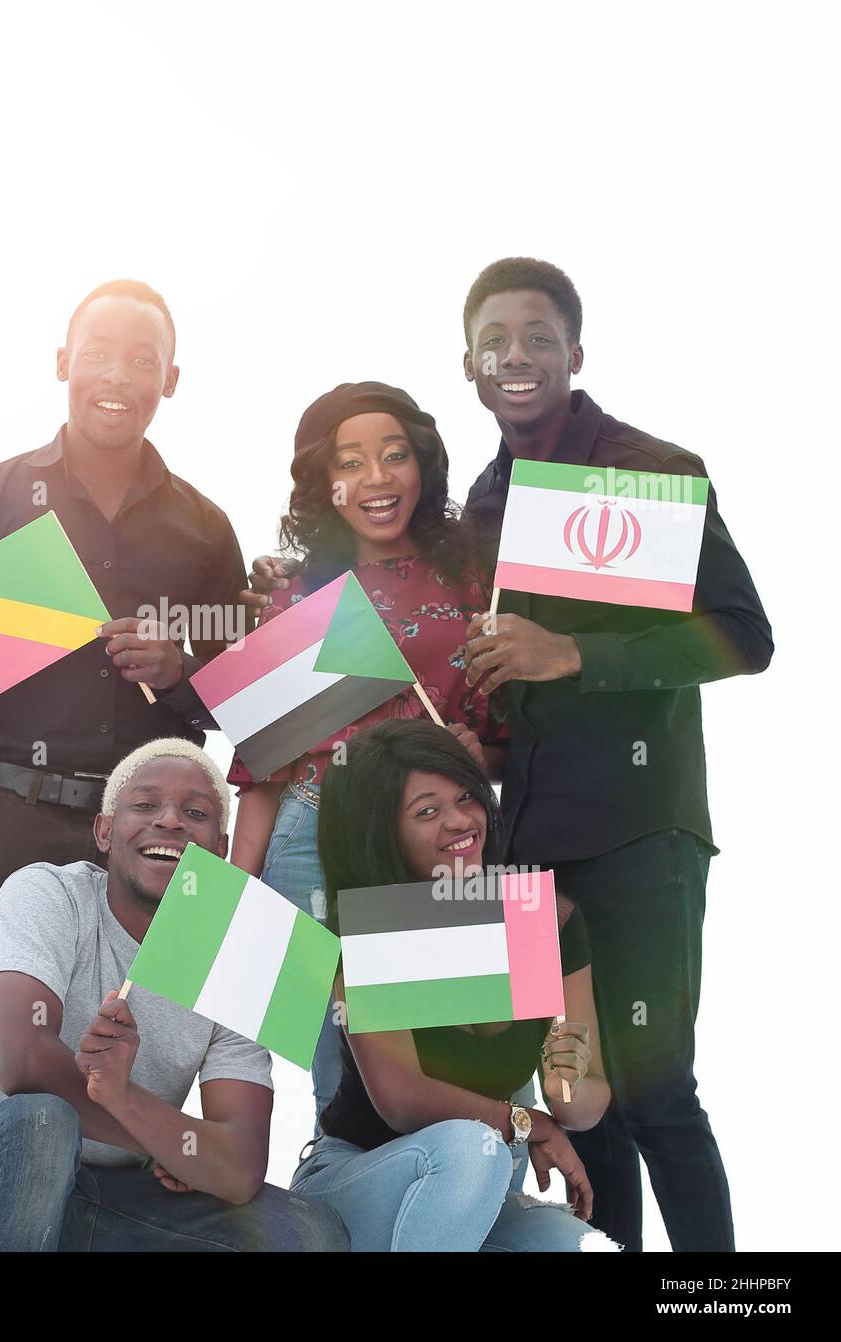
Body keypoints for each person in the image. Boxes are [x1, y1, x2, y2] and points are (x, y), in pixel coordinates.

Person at [458, 257, 773, 1251]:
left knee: (654, 1088)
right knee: (578, 1096)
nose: (516, 355)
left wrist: (571, 654)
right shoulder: (482, 505)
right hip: (529, 844)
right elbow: (504, 690)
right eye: (494, 340)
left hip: (641, 828)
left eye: (537, 337)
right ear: (469, 365)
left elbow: (740, 634)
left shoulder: (651, 467)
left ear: (574, 354)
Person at [0, 279, 248, 1024]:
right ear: (63, 361)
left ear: (171, 379)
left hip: (152, 839)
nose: (118, 376)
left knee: (142, 1052)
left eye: (141, 358)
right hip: (11, 823)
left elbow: (241, 698)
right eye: (98, 353)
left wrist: (181, 673)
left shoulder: (206, 529)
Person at [0, 739, 349, 1253]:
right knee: (42, 1122)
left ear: (220, 847)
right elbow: (20, 1063)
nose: (170, 820)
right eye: (145, 805)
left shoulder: (230, 961)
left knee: (309, 1233)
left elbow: (238, 1166)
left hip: (109, 1198)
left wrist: (125, 1097)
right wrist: (167, 1143)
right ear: (104, 830)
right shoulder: (46, 893)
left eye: (194, 812)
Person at [227, 381, 505, 1124]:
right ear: (326, 484)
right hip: (313, 836)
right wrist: (234, 890)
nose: (377, 478)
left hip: (442, 836)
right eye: (350, 462)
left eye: (395, 455)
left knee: (463, 1065)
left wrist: (480, 754)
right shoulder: (298, 594)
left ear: (422, 465)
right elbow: (265, 766)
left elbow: (499, 727)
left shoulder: (475, 577)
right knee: (344, 1080)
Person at [289, 719, 615, 1251]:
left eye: (467, 797)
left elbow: (581, 1106)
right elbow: (402, 1099)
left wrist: (565, 1085)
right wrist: (530, 1123)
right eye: (426, 811)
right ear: (382, 831)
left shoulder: (546, 919)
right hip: (361, 1179)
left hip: (480, 1193)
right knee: (473, 1147)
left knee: (586, 1247)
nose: (461, 820)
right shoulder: (364, 930)